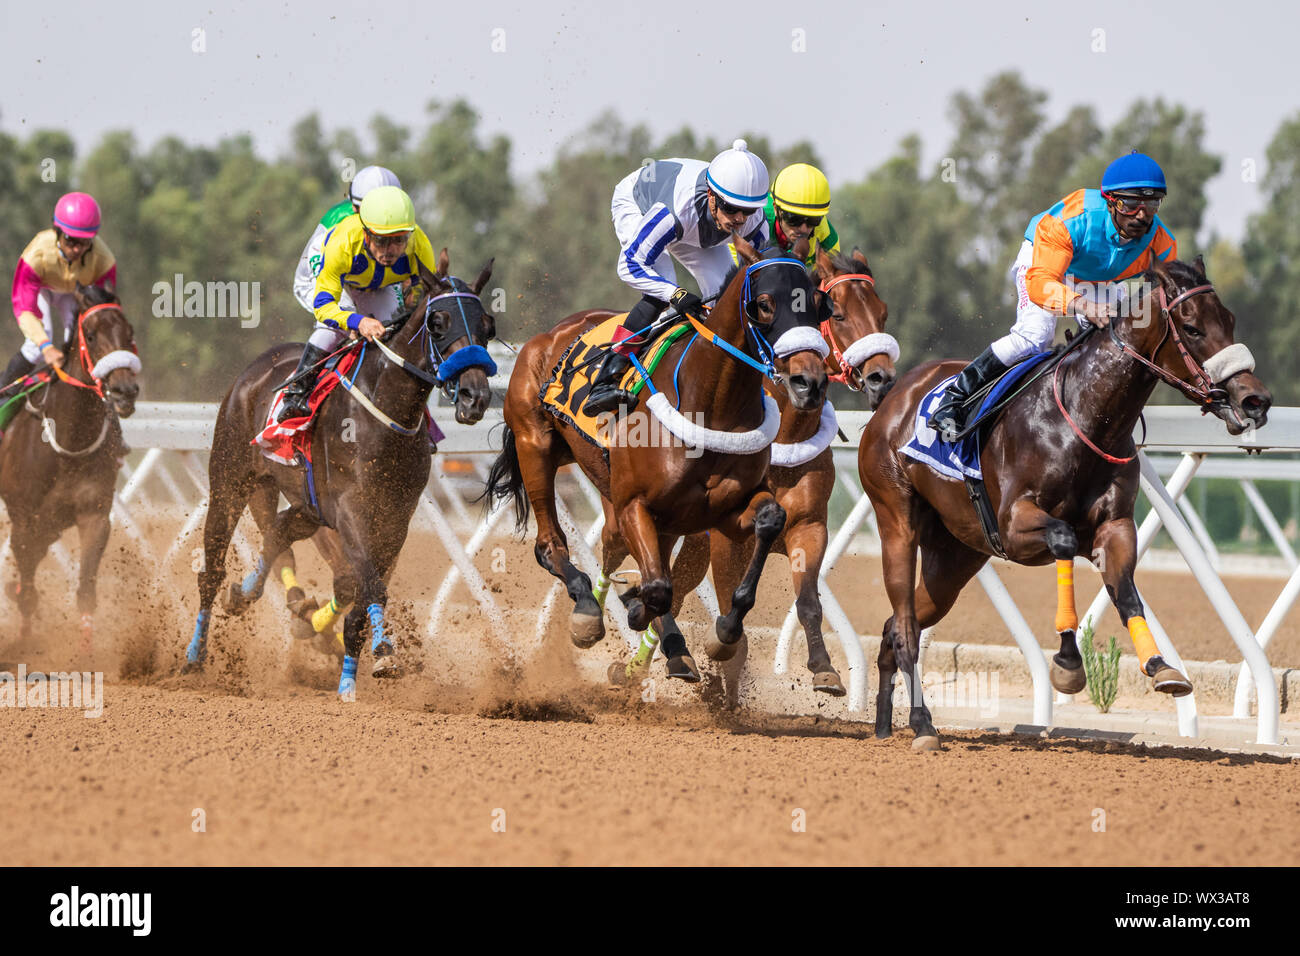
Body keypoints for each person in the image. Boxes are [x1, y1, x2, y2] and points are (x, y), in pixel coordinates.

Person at [931, 151, 1177, 442]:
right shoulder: (1070, 221)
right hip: (1043, 264)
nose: (1141, 215)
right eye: (1130, 204)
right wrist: (1083, 304)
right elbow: (1041, 284)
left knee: (1120, 338)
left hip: (1095, 275)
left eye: (1150, 204)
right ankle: (954, 398)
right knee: (1035, 336)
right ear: (1110, 201)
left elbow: (1162, 300)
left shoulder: (1162, 243)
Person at [581, 139, 770, 416]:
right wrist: (674, 294)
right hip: (642, 204)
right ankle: (605, 378)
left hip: (696, 229)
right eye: (731, 209)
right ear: (712, 195)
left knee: (727, 299)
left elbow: (758, 278)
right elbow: (630, 265)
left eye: (747, 211)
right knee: (661, 289)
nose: (739, 220)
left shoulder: (752, 219)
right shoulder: (674, 211)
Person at [277, 185, 440, 422]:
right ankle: (296, 394)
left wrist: (411, 307)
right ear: (365, 234)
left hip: (380, 284)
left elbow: (428, 297)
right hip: (343, 282)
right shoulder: (341, 243)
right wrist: (358, 321)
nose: (390, 250)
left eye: (398, 240)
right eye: (381, 241)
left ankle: (417, 413)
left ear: (409, 234)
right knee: (332, 330)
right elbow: (324, 307)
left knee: (397, 334)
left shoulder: (420, 245)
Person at [6, 192, 117, 387]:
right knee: (36, 347)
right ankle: (3, 391)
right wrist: (46, 347)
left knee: (78, 346)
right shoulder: (35, 255)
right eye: (70, 240)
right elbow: (25, 310)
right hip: (43, 289)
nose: (76, 249)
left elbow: (102, 312)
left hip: (75, 293)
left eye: (84, 242)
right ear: (56, 231)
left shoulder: (104, 261)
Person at [292, 165, 401, 313]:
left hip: (366, 282)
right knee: (342, 315)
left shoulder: (400, 220)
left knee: (395, 318)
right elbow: (326, 284)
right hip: (321, 277)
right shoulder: (337, 222)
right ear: (357, 207)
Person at [764, 162, 840, 268]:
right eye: (794, 219)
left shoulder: (826, 237)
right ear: (776, 209)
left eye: (812, 220)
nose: (803, 229)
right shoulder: (756, 217)